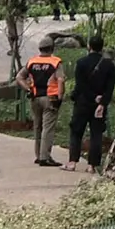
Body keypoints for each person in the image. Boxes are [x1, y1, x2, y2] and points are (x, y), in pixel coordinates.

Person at [66, 34, 115, 172]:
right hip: (99, 106)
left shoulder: (81, 63)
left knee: (76, 131)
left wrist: (92, 97)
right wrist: (102, 102)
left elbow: (80, 85)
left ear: (89, 46)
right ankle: (92, 165)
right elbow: (110, 87)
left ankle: (72, 162)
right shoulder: (109, 65)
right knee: (96, 134)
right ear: (102, 47)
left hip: (83, 103)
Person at [20, 38, 68, 167]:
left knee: (37, 126)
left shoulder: (32, 61)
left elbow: (19, 77)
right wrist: (60, 97)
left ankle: (38, 155)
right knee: (48, 127)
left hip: (35, 98)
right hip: (50, 98)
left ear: (40, 48)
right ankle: (45, 157)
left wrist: (27, 88)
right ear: (52, 48)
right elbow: (60, 80)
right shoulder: (55, 62)